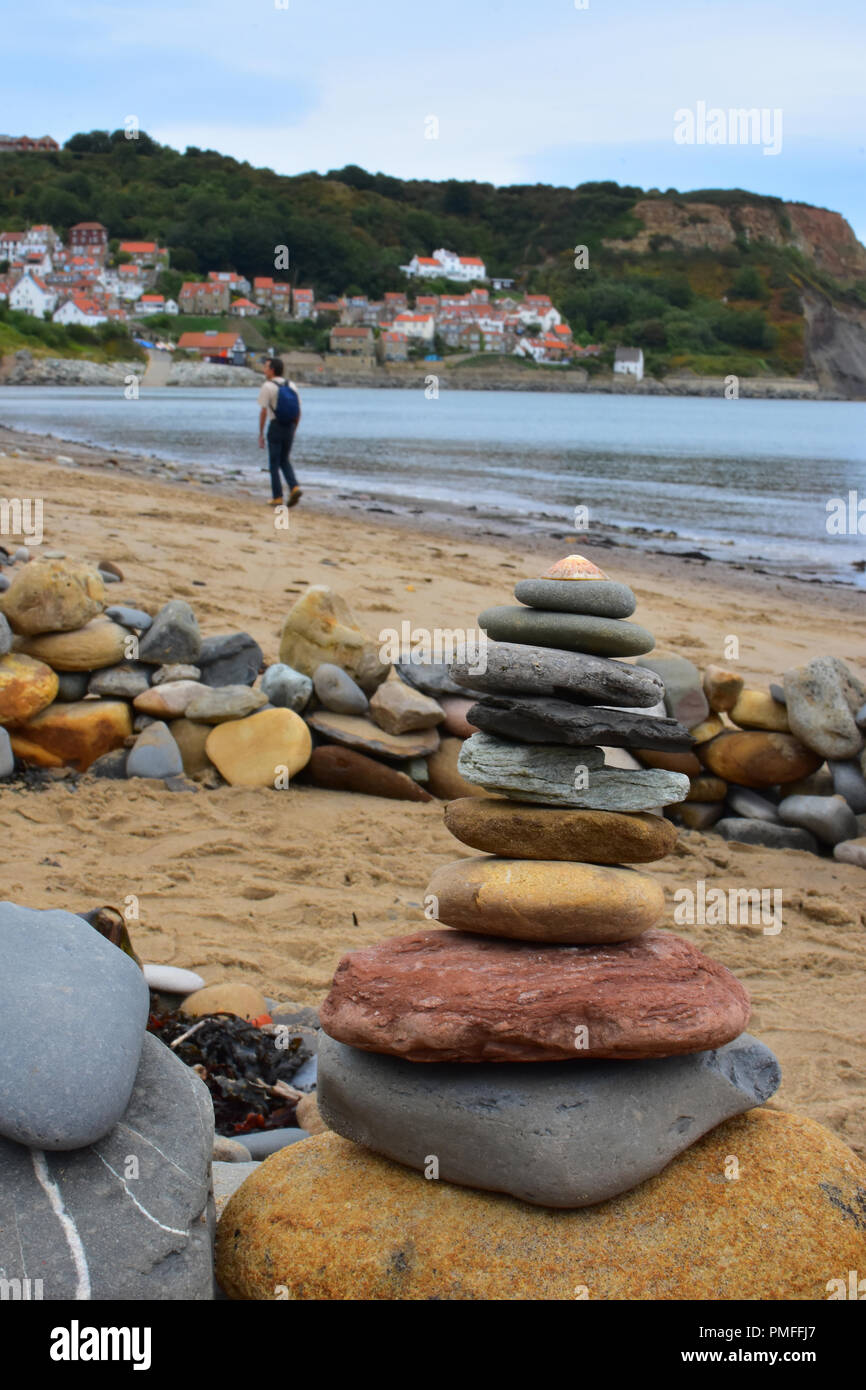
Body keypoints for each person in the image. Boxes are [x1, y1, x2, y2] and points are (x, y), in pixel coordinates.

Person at [257, 357, 302, 507]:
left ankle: (277, 497)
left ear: (272, 370)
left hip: (276, 426)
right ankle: (294, 486)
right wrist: (294, 429)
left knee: (274, 463)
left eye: (266, 367)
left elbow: (263, 411)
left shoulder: (267, 386)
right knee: (285, 459)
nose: (264, 369)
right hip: (290, 426)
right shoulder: (292, 385)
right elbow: (298, 411)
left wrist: (261, 434)